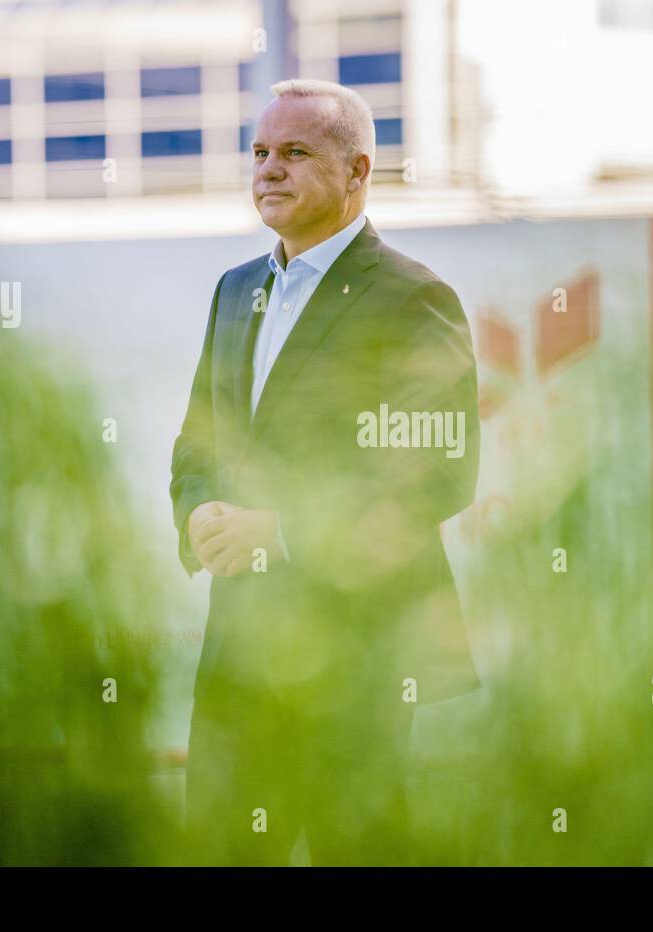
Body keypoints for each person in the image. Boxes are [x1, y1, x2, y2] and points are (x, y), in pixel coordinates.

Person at [169, 78, 480, 864]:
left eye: (296, 152)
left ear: (357, 171)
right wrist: (197, 513)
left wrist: (283, 532)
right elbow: (197, 445)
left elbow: (439, 471)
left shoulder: (413, 298)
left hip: (359, 660)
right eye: (261, 152)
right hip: (236, 656)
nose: (269, 169)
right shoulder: (235, 291)